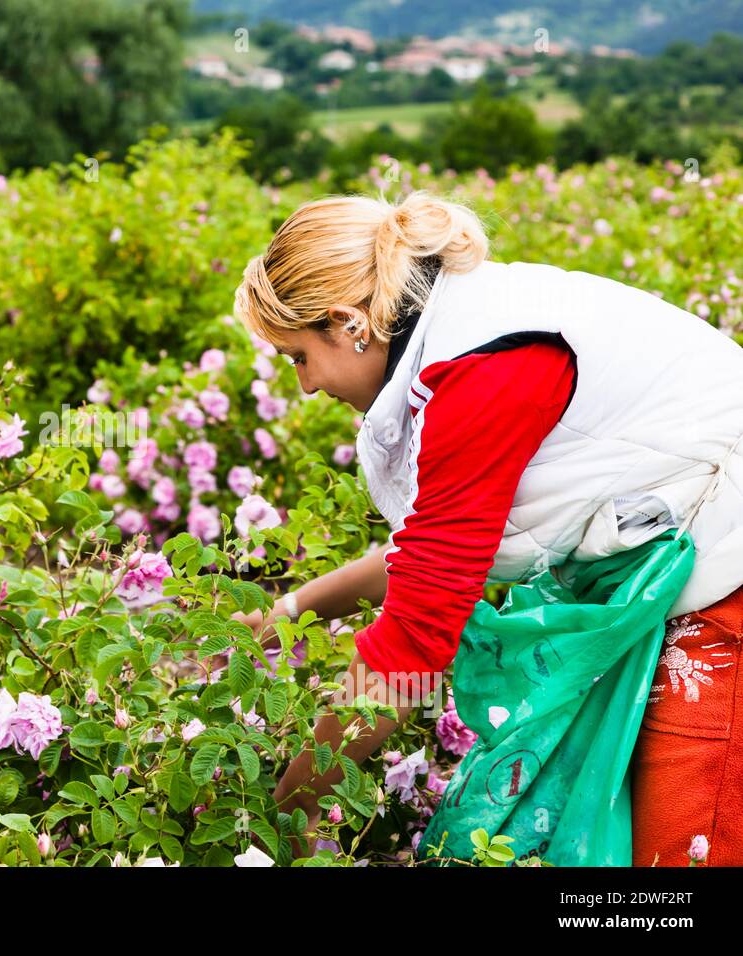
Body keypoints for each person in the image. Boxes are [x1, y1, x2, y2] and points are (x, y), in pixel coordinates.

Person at [229, 189, 743, 866]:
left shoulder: (485, 371)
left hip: (727, 578)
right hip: (693, 567)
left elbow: (418, 634)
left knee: (683, 847)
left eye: (298, 357)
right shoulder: (459, 339)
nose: (303, 385)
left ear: (348, 323)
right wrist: (282, 614)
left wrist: (299, 796)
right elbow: (432, 554)